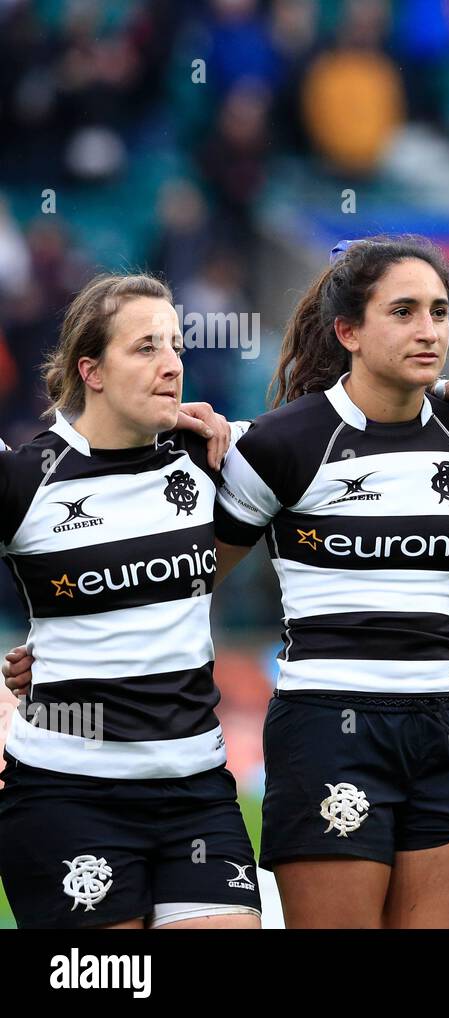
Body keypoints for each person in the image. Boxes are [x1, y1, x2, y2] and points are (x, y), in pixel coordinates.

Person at [211, 235, 449, 928]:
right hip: (328, 727)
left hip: (446, 730)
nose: (429, 330)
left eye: (440, 312)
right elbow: (190, 578)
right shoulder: (279, 444)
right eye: (405, 311)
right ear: (349, 331)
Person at [0, 272, 260, 929]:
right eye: (145, 348)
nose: (171, 364)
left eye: (175, 346)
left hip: (198, 791)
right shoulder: (25, 478)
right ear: (90, 369)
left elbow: (344, 425)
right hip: (66, 796)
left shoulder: (212, 458)